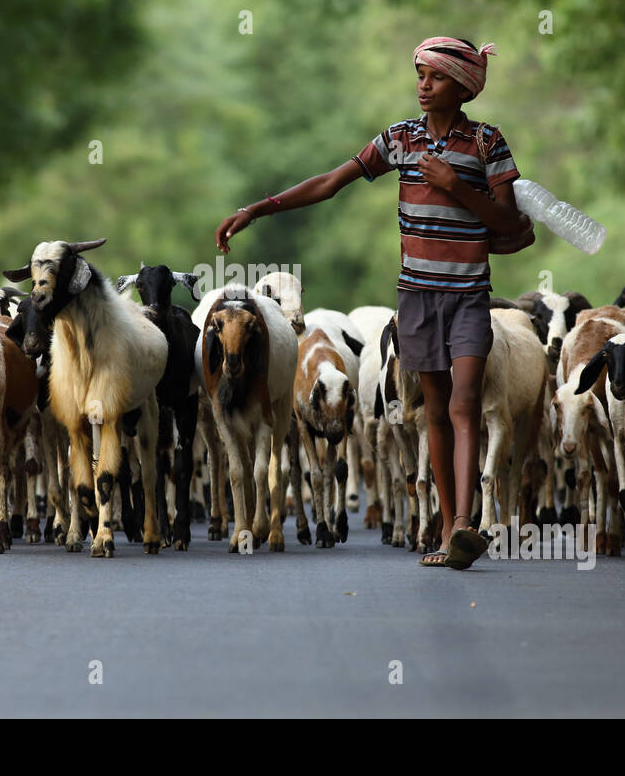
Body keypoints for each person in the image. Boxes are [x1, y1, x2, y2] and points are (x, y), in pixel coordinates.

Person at [213, 36, 527, 570]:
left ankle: (461, 526)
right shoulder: (400, 139)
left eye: (435, 77)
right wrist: (257, 209)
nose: (423, 86)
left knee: (464, 402)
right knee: (435, 410)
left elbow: (513, 225)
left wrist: (455, 185)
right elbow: (331, 183)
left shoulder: (487, 143)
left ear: (463, 85)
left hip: (470, 296)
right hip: (416, 298)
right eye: (420, 75)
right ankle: (449, 530)